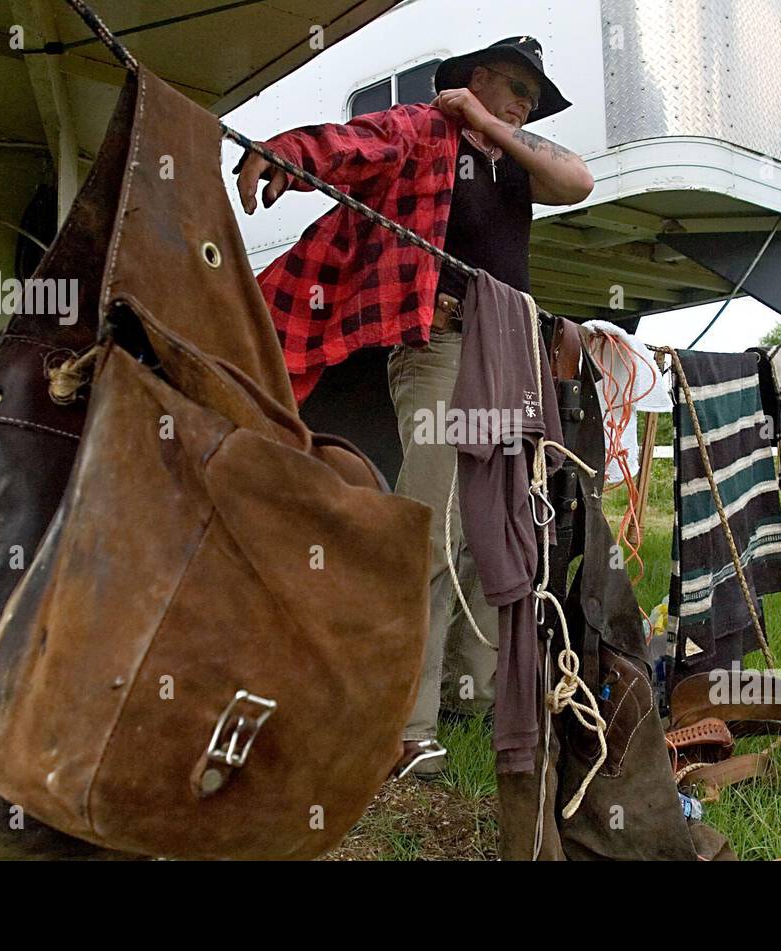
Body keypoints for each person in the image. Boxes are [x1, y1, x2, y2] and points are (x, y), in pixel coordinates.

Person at [236, 36, 593, 778]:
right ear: (477, 77)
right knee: (430, 528)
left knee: (493, 525)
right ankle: (405, 724)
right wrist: (288, 154)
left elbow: (578, 180)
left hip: (506, 353)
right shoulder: (424, 128)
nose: (525, 105)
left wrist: (496, 128)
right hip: (441, 343)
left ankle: (472, 693)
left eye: (533, 97)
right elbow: (357, 145)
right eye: (516, 88)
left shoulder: (516, 164)